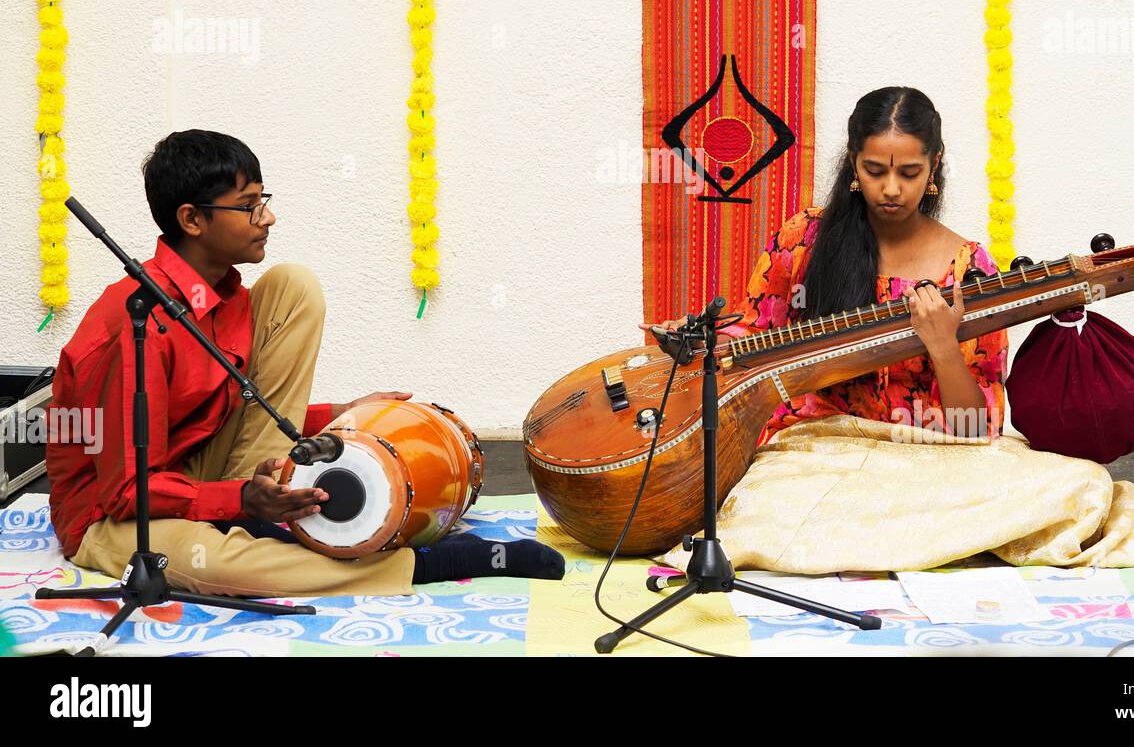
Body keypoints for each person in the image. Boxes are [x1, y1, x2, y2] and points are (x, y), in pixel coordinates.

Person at [46, 129, 564, 598]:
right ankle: (418, 566)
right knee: (217, 566)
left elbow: (237, 406)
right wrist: (241, 500)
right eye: (248, 206)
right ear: (192, 219)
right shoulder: (132, 326)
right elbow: (124, 491)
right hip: (112, 513)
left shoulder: (229, 299)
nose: (267, 217)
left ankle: (265, 504)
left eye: (263, 201)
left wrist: (340, 415)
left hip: (197, 466)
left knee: (294, 284)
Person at [643, 86, 1008, 443]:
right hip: (810, 448)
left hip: (917, 462)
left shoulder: (967, 269)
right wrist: (700, 343)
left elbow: (977, 429)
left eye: (909, 173)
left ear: (935, 164)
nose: (892, 189)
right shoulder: (805, 238)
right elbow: (756, 336)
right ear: (853, 163)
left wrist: (942, 346)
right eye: (875, 171)